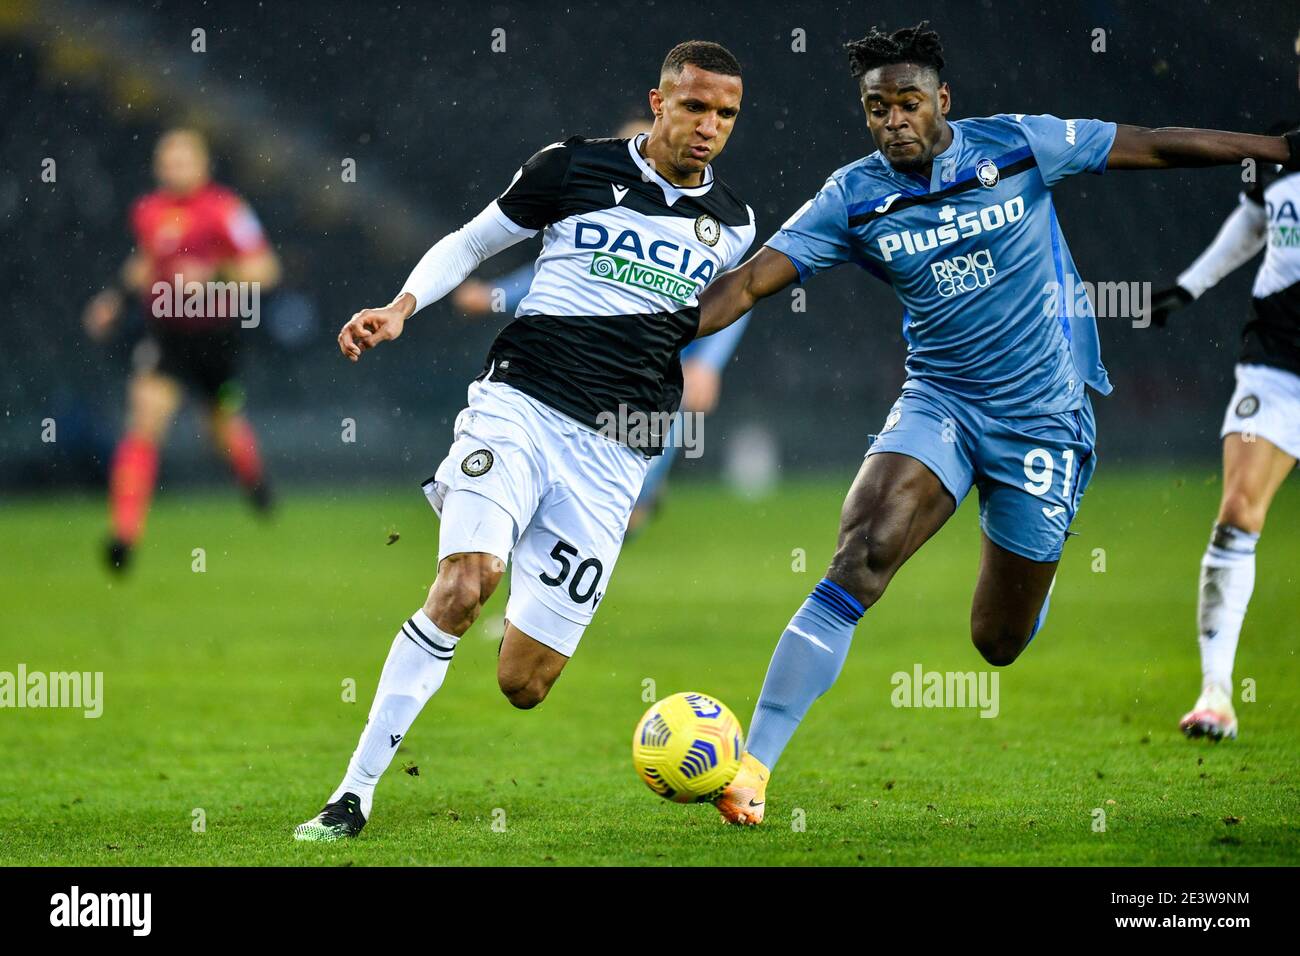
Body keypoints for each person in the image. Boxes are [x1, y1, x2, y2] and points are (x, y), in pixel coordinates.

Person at [690, 22, 1300, 824]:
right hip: (939, 401)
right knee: (862, 553)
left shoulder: (1018, 145)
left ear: (944, 100)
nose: (893, 120)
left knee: (998, 641)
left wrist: (1277, 148)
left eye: (909, 102)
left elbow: (1150, 145)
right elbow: (747, 283)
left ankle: (1030, 578)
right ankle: (754, 768)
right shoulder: (854, 195)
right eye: (876, 108)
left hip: (1045, 422)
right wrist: (650, 331)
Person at [294, 41, 755, 841]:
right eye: (694, 107)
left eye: (725, 114)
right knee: (466, 583)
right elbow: (473, 243)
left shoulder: (734, 225)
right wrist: (403, 307)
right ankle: (352, 795)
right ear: (658, 102)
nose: (708, 126)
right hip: (521, 406)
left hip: (616, 448)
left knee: (525, 682)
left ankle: (524, 583)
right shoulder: (571, 169)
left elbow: (700, 322)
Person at [452, 119, 752, 531]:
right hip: (581, 368)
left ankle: (637, 499)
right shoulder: (602, 198)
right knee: (575, 509)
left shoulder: (707, 218)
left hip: (654, 371)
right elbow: (561, 266)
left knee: (624, 499)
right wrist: (494, 294)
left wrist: (708, 363)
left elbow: (736, 292)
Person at [1147, 120, 1300, 741]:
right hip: (1277, 359)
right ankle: (1215, 694)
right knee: (1237, 512)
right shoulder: (1281, 150)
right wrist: (1189, 286)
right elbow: (1254, 221)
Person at [84, 129, 281, 572]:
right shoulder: (150, 211)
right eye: (167, 161)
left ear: (203, 164)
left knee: (220, 427)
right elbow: (146, 262)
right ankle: (124, 536)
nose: (174, 169)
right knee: (145, 420)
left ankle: (254, 481)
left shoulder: (226, 210)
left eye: (183, 160)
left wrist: (214, 273)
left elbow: (266, 270)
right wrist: (113, 300)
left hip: (216, 339)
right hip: (166, 336)